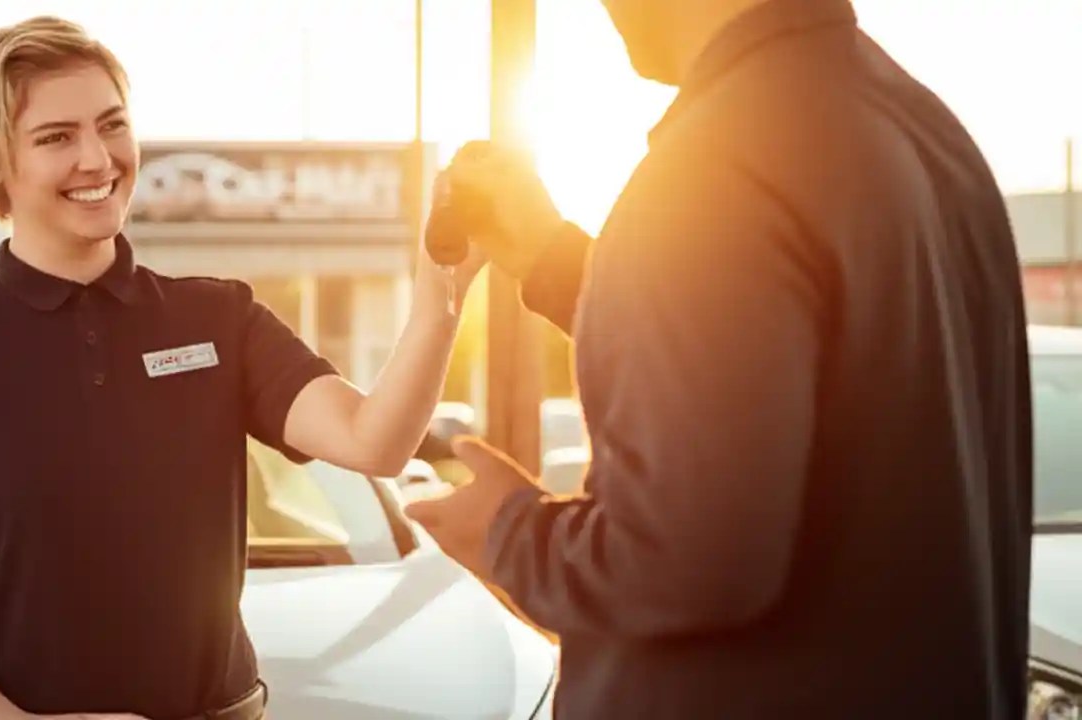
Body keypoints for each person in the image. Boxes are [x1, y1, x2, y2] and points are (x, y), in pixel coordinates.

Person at [406, 0, 1032, 717]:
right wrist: (553, 261)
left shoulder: (717, 166)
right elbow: (774, 366)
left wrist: (510, 533)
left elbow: (687, 561)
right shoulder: (924, 133)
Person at [0, 16, 484, 720]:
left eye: (112, 125)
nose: (98, 159)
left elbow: (374, 441)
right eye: (56, 137)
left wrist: (441, 297)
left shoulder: (220, 319)